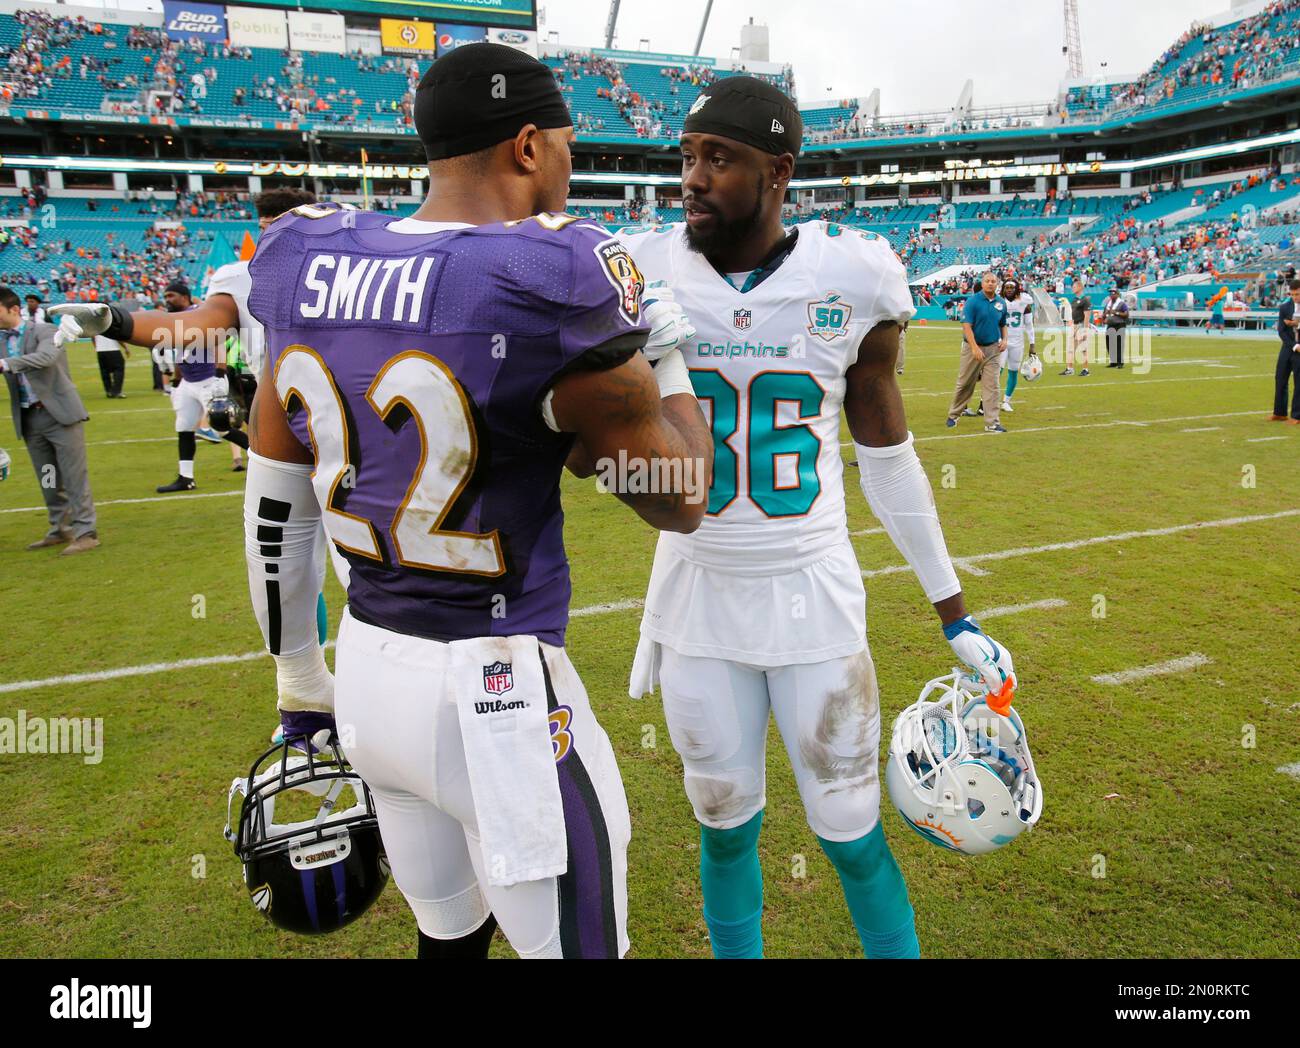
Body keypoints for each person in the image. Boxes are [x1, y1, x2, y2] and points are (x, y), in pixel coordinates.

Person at [245, 42, 711, 960]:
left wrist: (302, 682)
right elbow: (679, 495)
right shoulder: (550, 276)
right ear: (530, 146)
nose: (575, 169)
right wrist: (664, 354)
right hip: (496, 694)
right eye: (570, 146)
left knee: (447, 939)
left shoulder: (306, 257)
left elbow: (274, 506)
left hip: (371, 676)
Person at [613, 77, 1016, 959]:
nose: (694, 177)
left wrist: (954, 610)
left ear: (779, 170)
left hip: (812, 596)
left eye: (719, 158)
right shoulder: (638, 266)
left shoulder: (853, 273)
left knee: (850, 830)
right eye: (687, 157)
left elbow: (886, 454)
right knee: (721, 823)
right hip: (699, 596)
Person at [0, 285, 99, 554]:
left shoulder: (44, 331)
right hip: (29, 417)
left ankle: (86, 531)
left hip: (60, 414)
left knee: (74, 475)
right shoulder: (1, 338)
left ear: (14, 309)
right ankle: (60, 527)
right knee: (48, 477)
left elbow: (46, 357)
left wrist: (7, 364)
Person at [948, 271, 1008, 432]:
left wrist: (1005, 340)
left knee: (992, 385)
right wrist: (974, 347)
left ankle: (992, 423)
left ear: (997, 284)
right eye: (987, 281)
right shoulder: (973, 302)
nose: (990, 283)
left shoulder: (1001, 303)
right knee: (965, 383)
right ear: (982, 283)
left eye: (993, 281)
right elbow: (966, 325)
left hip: (993, 348)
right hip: (972, 348)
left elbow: (1003, 323)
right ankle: (954, 414)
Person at [1000, 277, 1036, 413]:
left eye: (1012, 287)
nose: (1009, 290)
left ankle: (1006, 401)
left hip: (1017, 342)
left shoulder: (1024, 301)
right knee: (998, 371)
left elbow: (1029, 325)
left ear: (1016, 289)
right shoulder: (999, 301)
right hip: (1001, 340)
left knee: (1013, 371)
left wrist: (1032, 344)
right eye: (1007, 287)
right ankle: (989, 400)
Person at [1271, 278, 1300, 424]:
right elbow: (1281, 331)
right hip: (1288, 347)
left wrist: (1298, 323)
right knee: (1280, 378)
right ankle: (1279, 412)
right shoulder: (1284, 307)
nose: (1295, 297)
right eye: (1293, 294)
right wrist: (1294, 345)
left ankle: (1296, 415)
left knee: (1299, 382)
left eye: (1298, 294)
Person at [1061, 278, 1091, 376]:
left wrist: (1085, 329)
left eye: (1074, 287)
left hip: (1081, 325)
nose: (1072, 288)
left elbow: (1087, 315)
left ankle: (1085, 369)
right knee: (1070, 348)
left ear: (1080, 287)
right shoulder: (1074, 300)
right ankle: (1069, 368)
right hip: (1074, 325)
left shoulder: (1085, 300)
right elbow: (1073, 313)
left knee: (1083, 348)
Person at [1100, 287, 1129, 368]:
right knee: (1109, 343)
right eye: (1110, 293)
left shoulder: (1122, 303)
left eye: (1113, 293)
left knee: (1119, 344)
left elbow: (1126, 314)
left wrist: (1116, 312)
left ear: (1117, 294)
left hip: (1120, 325)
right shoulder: (1108, 304)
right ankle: (1113, 362)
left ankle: (1120, 363)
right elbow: (1104, 313)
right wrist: (1103, 318)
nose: (1112, 295)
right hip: (1110, 325)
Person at [94, 331, 128, 398]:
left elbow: (93, 337)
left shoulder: (97, 325)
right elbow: (118, 338)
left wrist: (96, 346)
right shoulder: (111, 323)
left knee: (104, 371)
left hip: (100, 350)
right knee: (118, 369)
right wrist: (126, 347)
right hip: (113, 349)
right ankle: (117, 391)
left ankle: (108, 391)